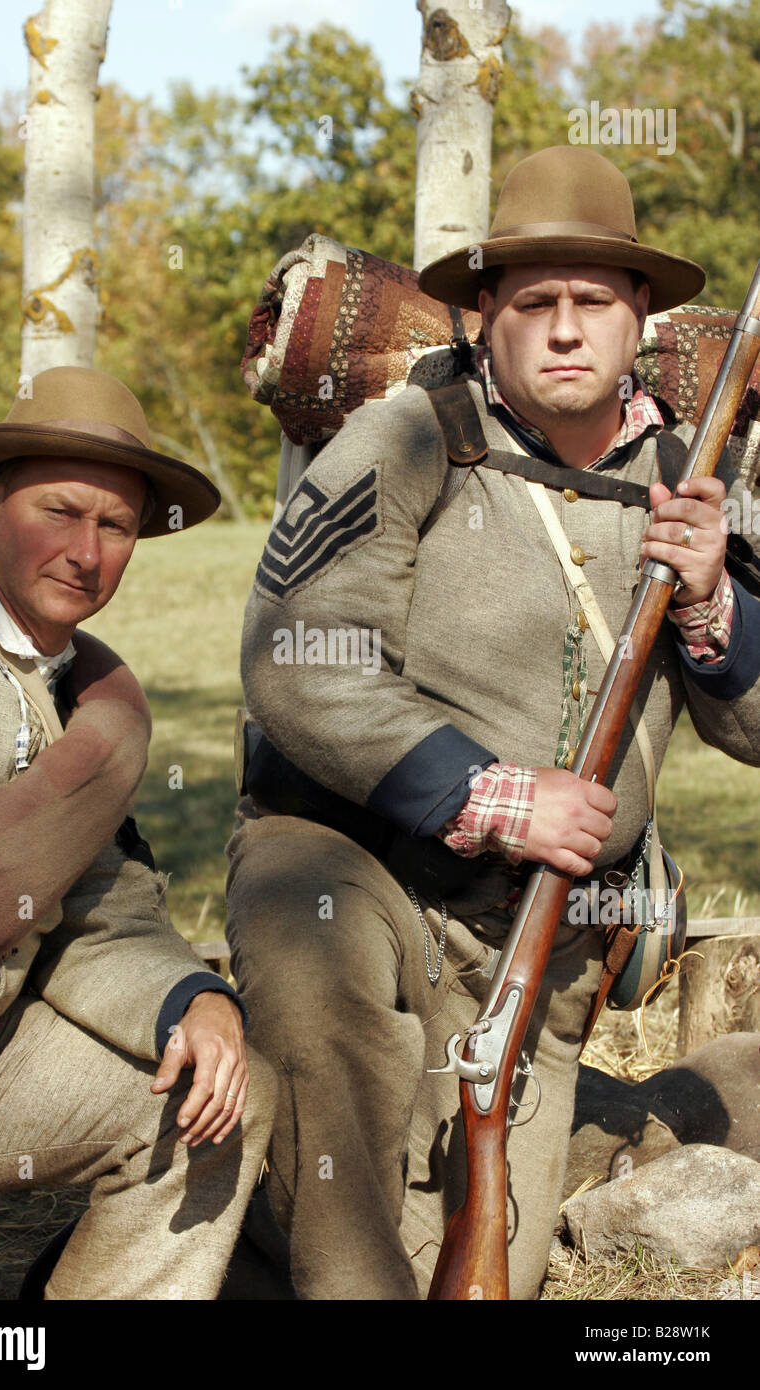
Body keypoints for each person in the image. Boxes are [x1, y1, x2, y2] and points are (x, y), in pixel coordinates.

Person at [224, 145, 760, 1299]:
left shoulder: (690, 477)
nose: (565, 330)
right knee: (335, 1067)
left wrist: (713, 599)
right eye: (534, 304)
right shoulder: (405, 437)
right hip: (351, 865)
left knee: (478, 1272)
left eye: (591, 304)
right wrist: (494, 793)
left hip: (541, 937)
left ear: (635, 323)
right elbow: (297, 666)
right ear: (483, 317)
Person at [0, 365, 275, 1300]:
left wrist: (194, 999)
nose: (87, 551)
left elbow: (96, 905)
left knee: (224, 1098)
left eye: (116, 526)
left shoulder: (89, 696)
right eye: (61, 513)